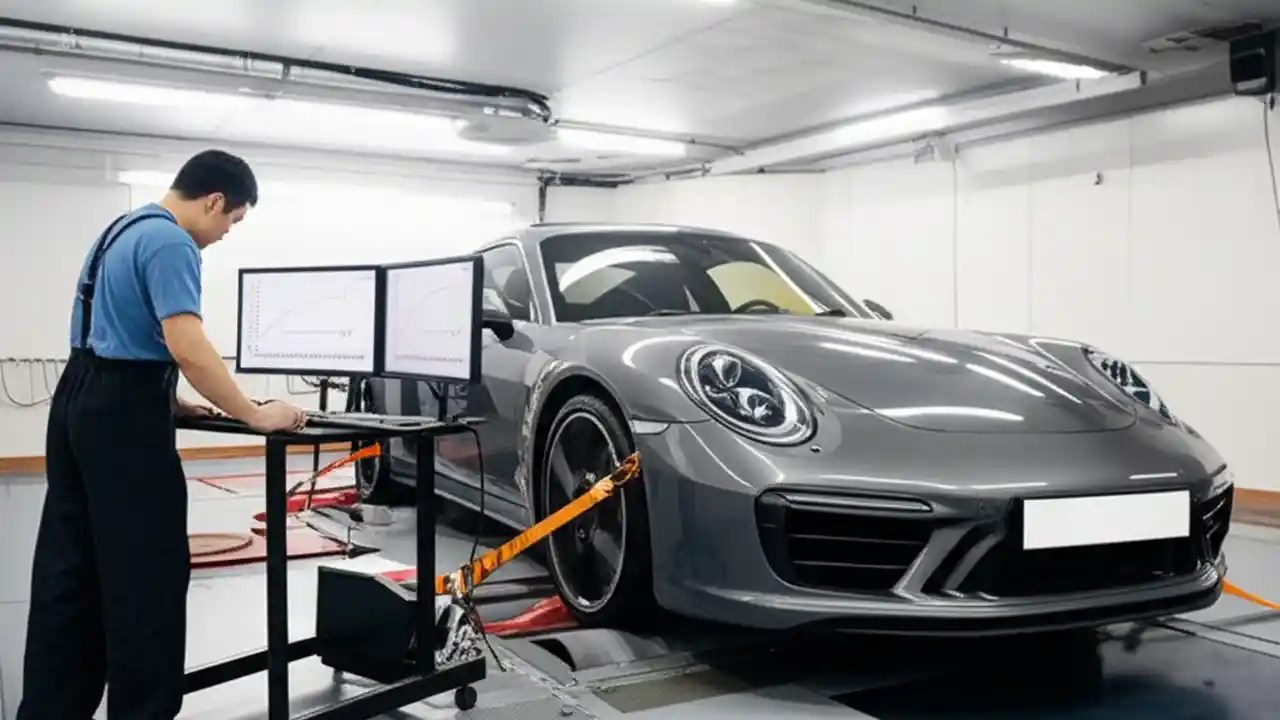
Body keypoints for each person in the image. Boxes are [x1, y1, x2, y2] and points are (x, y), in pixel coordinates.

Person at [18, 149, 307, 719]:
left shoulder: (119, 231)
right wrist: (253, 412)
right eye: (231, 221)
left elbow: (109, 341)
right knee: (145, 578)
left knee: (71, 571)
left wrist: (170, 402)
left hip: (79, 402)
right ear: (214, 200)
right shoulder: (174, 242)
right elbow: (187, 345)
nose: (225, 234)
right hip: (121, 419)